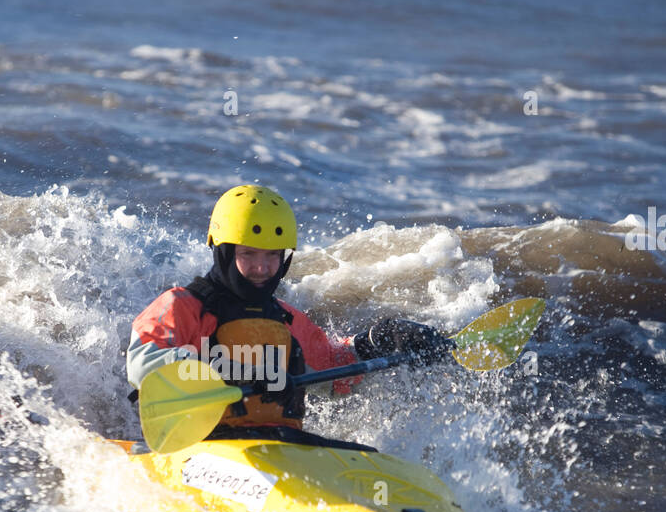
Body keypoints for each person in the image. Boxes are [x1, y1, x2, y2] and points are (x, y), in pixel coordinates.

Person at [126, 185, 450, 446]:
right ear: (223, 252)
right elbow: (145, 365)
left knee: (369, 457)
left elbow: (332, 374)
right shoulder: (182, 307)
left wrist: (377, 341)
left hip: (283, 446)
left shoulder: (286, 320)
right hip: (207, 448)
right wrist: (235, 373)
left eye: (272, 256)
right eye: (248, 254)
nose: (262, 268)